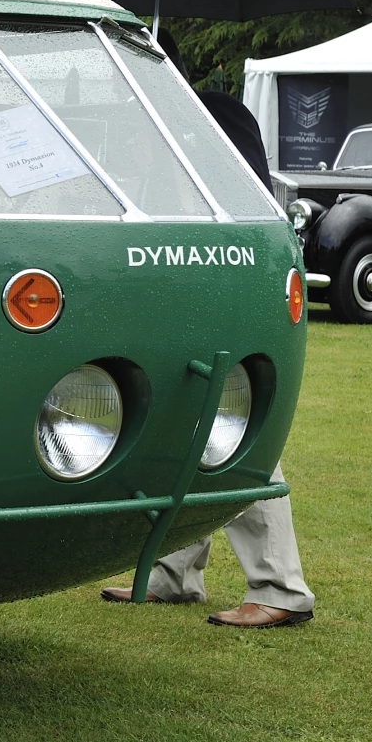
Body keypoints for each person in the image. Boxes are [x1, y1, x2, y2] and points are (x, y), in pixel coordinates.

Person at [104, 33, 316, 628]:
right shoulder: (150, 126)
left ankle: (279, 588)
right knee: (188, 433)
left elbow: (243, 212)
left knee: (235, 440)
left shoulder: (213, 119)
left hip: (225, 294)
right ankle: (174, 573)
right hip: (179, 295)